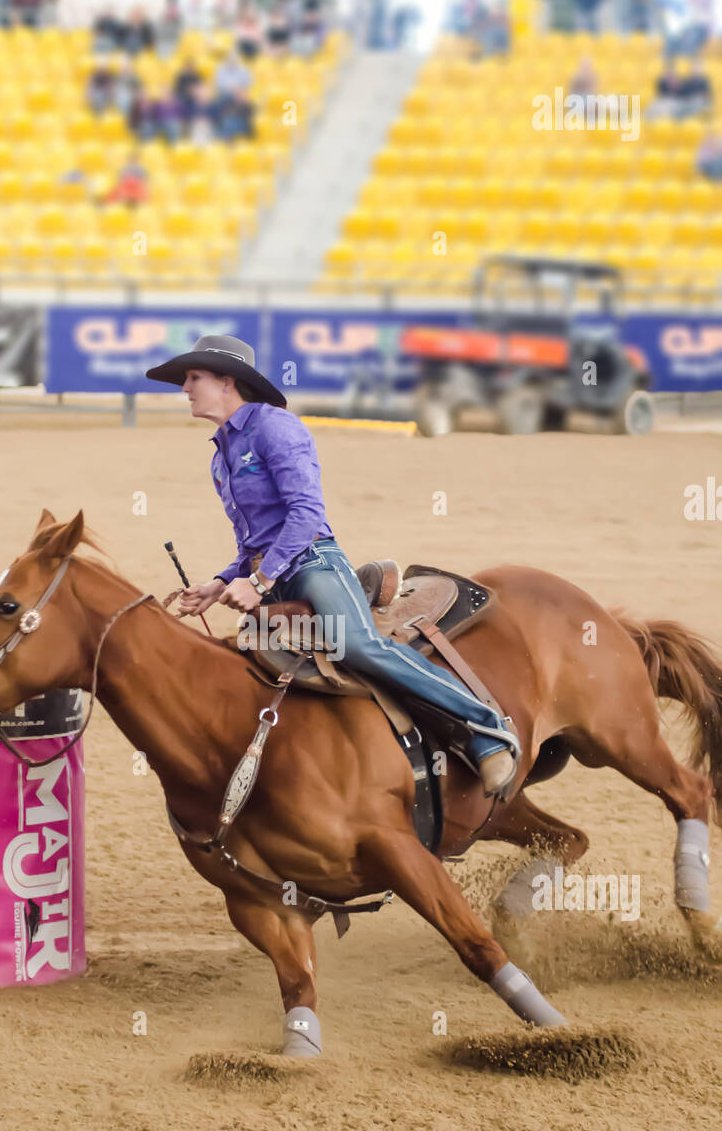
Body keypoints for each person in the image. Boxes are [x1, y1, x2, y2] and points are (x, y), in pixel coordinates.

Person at [145, 335, 521, 798]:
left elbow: (305, 515)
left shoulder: (276, 428)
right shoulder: (220, 455)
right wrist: (220, 582)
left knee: (358, 647)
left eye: (193, 377)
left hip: (313, 561)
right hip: (275, 574)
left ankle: (487, 730)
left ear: (227, 382)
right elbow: (253, 542)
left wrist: (260, 582)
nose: (184, 387)